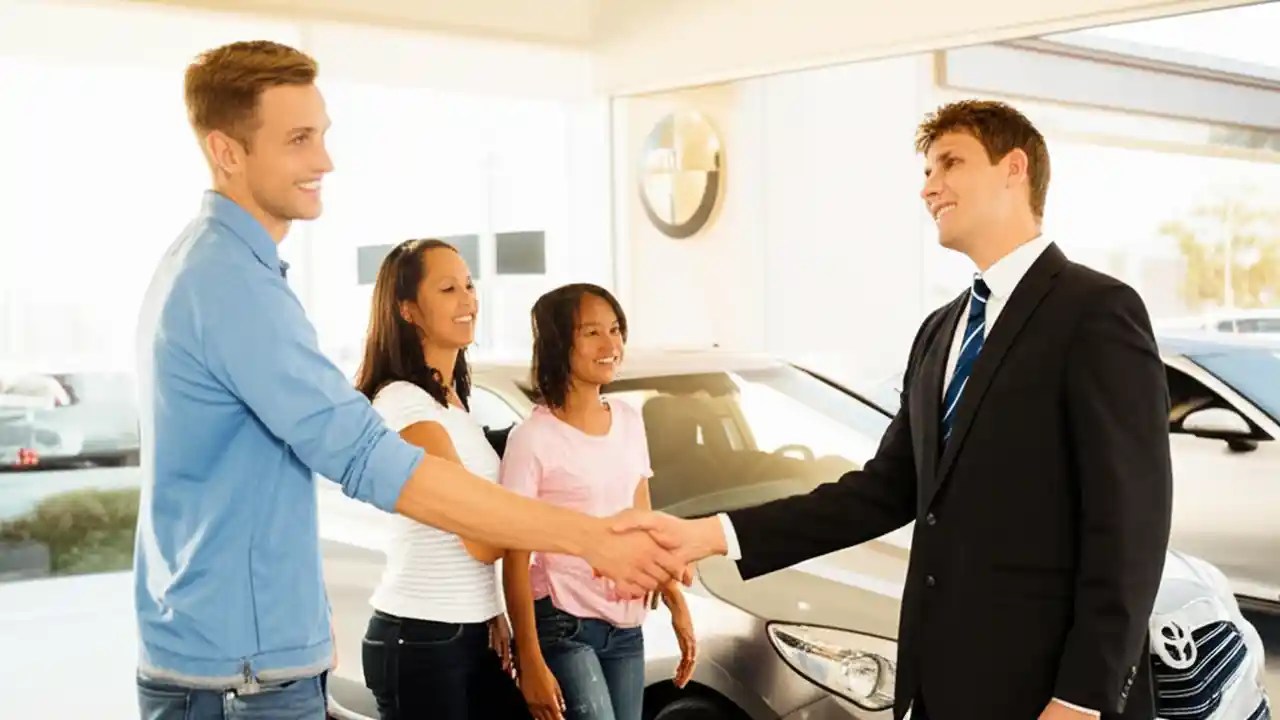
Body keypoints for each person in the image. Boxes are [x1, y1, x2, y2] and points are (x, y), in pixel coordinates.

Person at [134, 41, 684, 720]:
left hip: (255, 666)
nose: (325, 160)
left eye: (323, 135)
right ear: (228, 152)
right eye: (299, 139)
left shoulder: (228, 272)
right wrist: (590, 537)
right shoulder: (228, 286)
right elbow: (373, 460)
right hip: (238, 678)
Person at [623, 100, 1174, 720]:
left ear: (1013, 168)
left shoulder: (1096, 312)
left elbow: (1130, 530)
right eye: (926, 171)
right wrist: (710, 534)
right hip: (940, 689)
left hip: (1051, 696)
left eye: (949, 163)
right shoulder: (939, 332)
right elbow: (880, 492)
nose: (928, 187)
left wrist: (1081, 698)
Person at [501, 284, 697, 720]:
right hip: (562, 622)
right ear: (558, 343)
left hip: (626, 622)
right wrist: (528, 660)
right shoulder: (533, 438)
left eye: (615, 329)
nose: (611, 344)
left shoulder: (628, 420)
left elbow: (640, 521)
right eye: (592, 332)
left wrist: (674, 601)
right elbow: (514, 557)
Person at [354, 238, 531, 719]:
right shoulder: (404, 405)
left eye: (470, 285)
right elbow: (480, 537)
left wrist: (492, 604)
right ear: (408, 309)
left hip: (470, 629)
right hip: (422, 637)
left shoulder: (452, 405)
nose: (469, 299)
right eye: (449, 288)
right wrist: (540, 522)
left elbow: (483, 533)